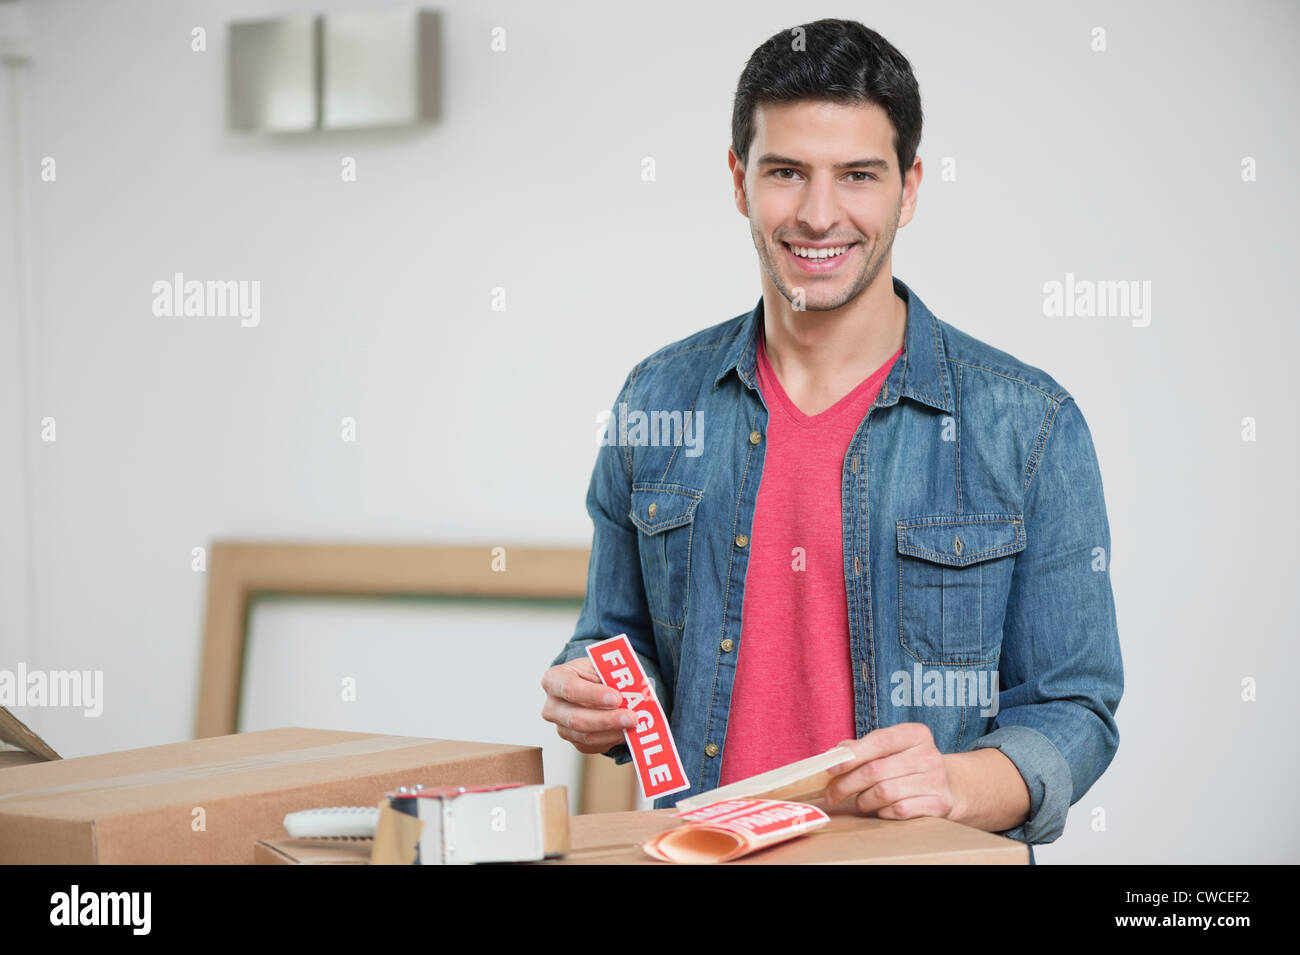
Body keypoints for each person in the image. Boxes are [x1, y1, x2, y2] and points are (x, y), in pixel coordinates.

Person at [540, 17, 1122, 858]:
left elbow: (1076, 706)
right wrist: (591, 688)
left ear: (909, 188)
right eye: (786, 172)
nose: (819, 216)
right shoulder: (656, 398)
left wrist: (961, 782)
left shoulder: (1027, 424)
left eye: (857, 175)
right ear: (740, 181)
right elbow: (613, 637)